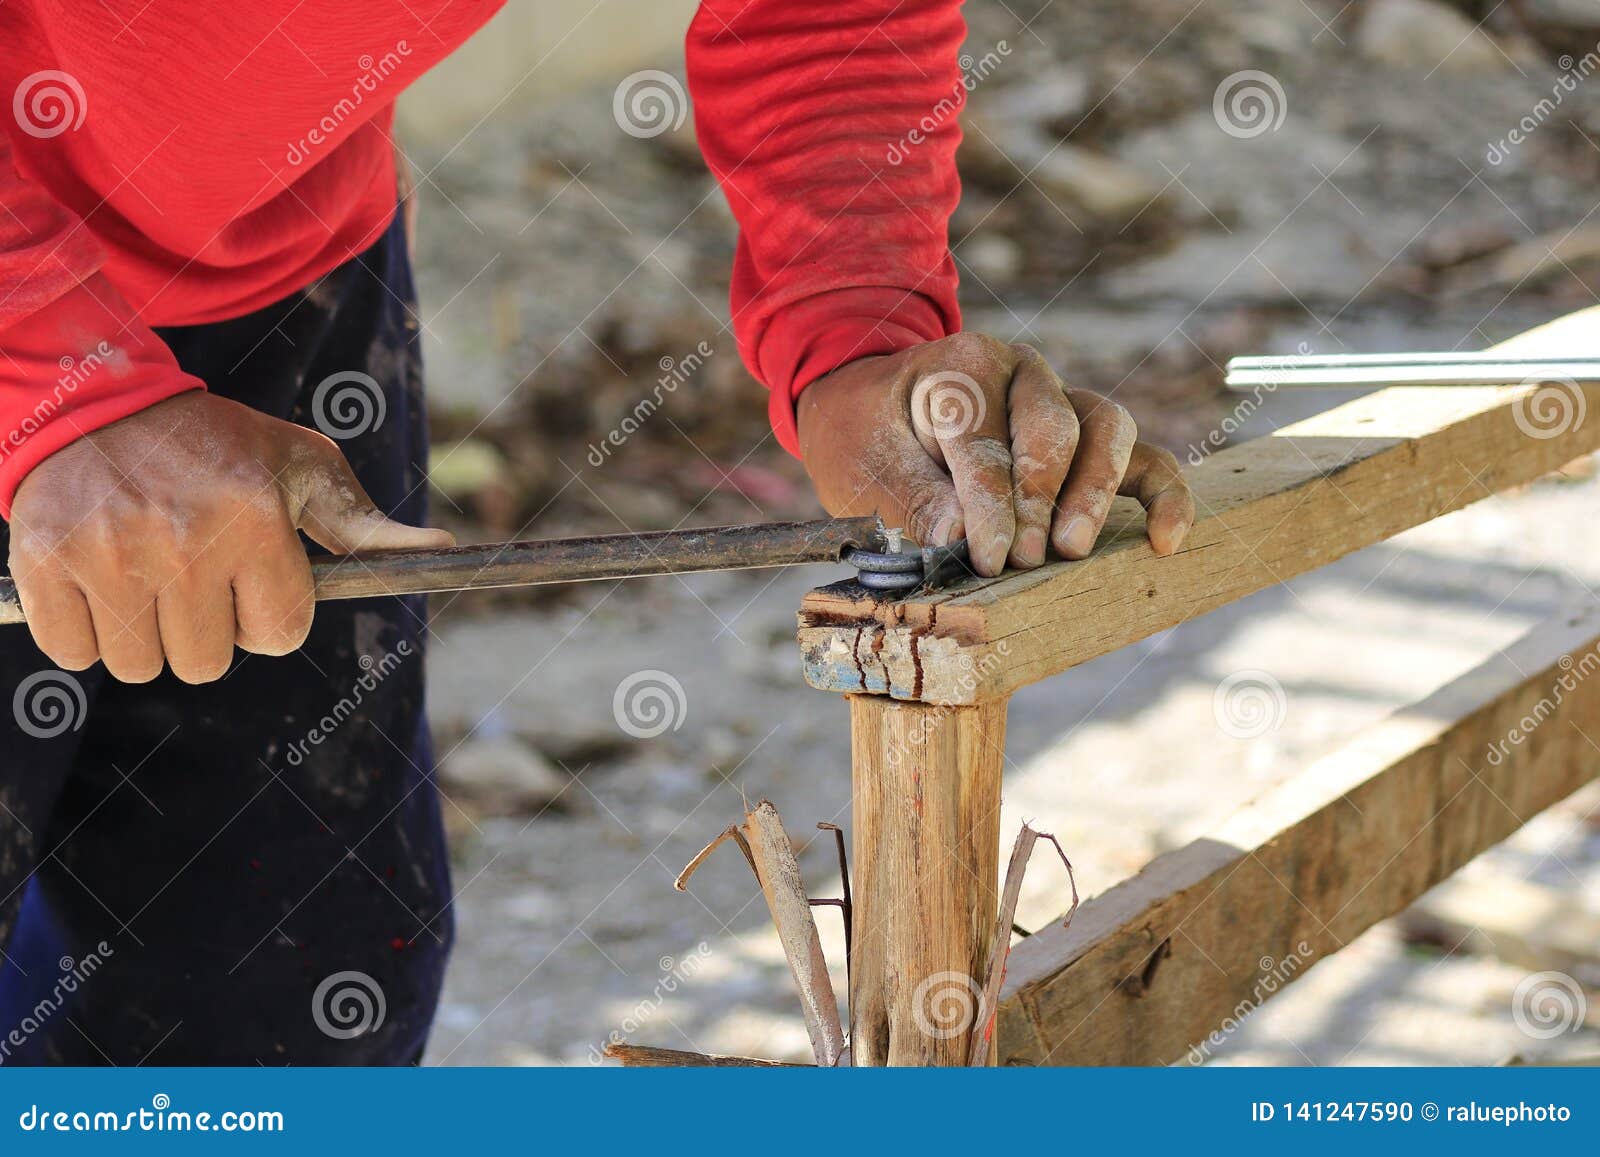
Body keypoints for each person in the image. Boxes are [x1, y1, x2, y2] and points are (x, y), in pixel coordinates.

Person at [0, 1, 1193, 1063]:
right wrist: (54, 381)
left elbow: (827, 19)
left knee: (295, 994)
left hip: (281, 262)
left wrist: (859, 330)